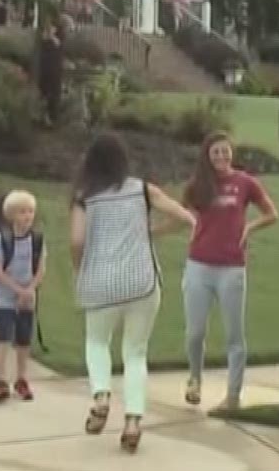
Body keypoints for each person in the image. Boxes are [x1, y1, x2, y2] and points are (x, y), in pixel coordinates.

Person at [70, 132, 196, 451]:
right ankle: (133, 421)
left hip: (100, 283)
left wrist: (79, 269)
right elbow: (185, 218)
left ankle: (100, 396)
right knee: (135, 353)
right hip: (142, 282)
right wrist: (151, 233)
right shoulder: (141, 190)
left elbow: (76, 241)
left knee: (97, 342)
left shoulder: (84, 196)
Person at [181, 131, 279, 411]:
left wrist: (249, 227)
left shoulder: (245, 183)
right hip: (198, 265)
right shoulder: (198, 185)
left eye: (225, 151)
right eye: (215, 153)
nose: (221, 157)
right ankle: (194, 380)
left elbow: (272, 213)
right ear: (207, 157)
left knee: (234, 335)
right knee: (195, 333)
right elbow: (182, 213)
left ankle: (233, 396)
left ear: (231, 153)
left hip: (231, 268)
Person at [0, 189, 47, 404]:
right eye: (22, 212)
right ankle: (0, 380)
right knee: (3, 337)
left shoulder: (37, 239)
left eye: (31, 211)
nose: (28, 216)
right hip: (5, 296)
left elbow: (40, 269)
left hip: (28, 298)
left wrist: (30, 289)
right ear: (11, 215)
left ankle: (22, 379)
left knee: (23, 339)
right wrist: (18, 290)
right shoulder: (2, 239)